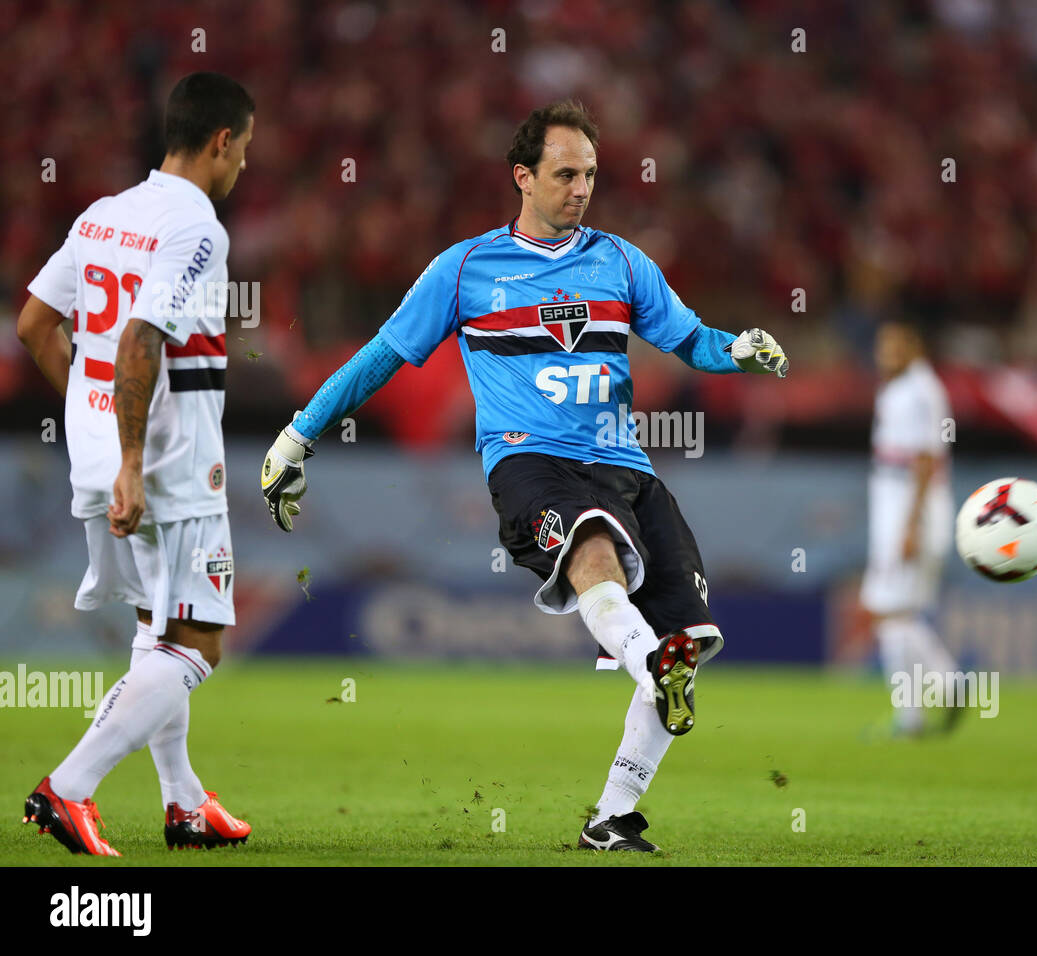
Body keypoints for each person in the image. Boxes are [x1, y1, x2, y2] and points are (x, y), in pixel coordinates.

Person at [260, 100, 788, 852]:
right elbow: (381, 355)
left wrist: (737, 350)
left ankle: (611, 815)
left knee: (692, 642)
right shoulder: (467, 269)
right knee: (593, 552)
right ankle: (648, 660)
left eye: (591, 174)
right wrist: (298, 435)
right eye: (566, 174)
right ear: (523, 177)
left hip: (626, 467)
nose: (581, 189)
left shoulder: (622, 262)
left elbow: (690, 338)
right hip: (531, 462)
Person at [18, 72, 255, 855]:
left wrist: (91, 427)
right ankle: (68, 787)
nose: (244, 168)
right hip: (170, 467)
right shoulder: (198, 228)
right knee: (197, 642)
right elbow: (140, 339)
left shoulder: (103, 214)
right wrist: (129, 461)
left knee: (157, 628)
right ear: (221, 141)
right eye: (244, 151)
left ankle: (184, 804)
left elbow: (34, 326)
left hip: (107, 457)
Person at [861, 321, 959, 736]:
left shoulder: (919, 391)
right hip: (899, 506)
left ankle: (948, 682)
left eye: (894, 345)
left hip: (908, 508)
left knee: (890, 610)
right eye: (881, 345)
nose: (885, 353)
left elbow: (923, 460)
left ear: (914, 344)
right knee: (897, 613)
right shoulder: (907, 387)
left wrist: (911, 525)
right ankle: (913, 716)